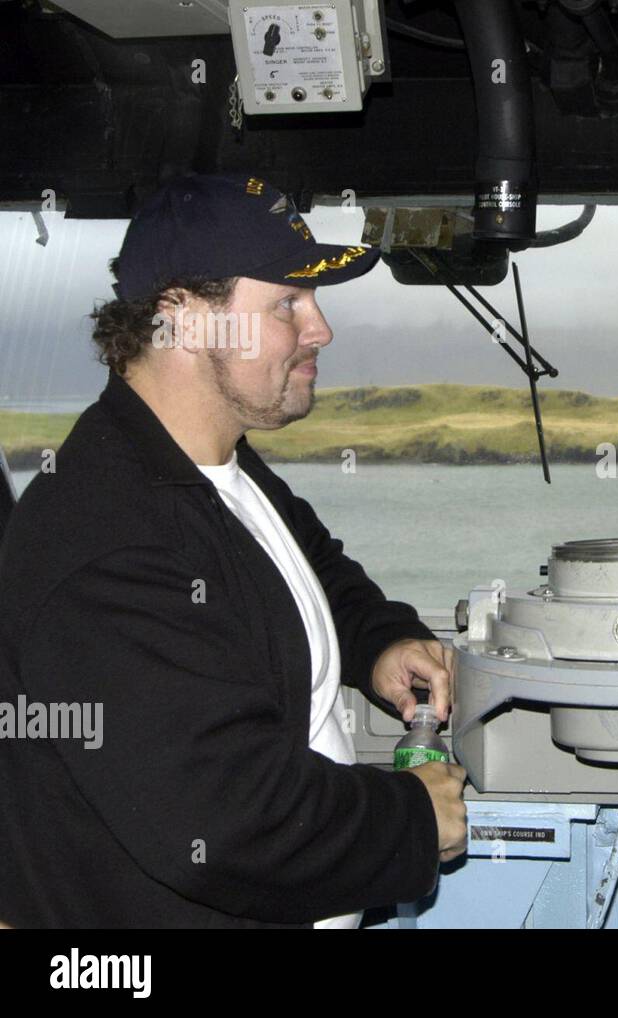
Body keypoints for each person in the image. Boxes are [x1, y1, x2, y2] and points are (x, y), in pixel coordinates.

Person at [0, 174, 467, 928]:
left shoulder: (219, 464)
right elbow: (224, 821)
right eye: (287, 303)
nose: (321, 329)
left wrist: (377, 640)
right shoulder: (106, 541)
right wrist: (411, 819)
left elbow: (309, 567)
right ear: (184, 318)